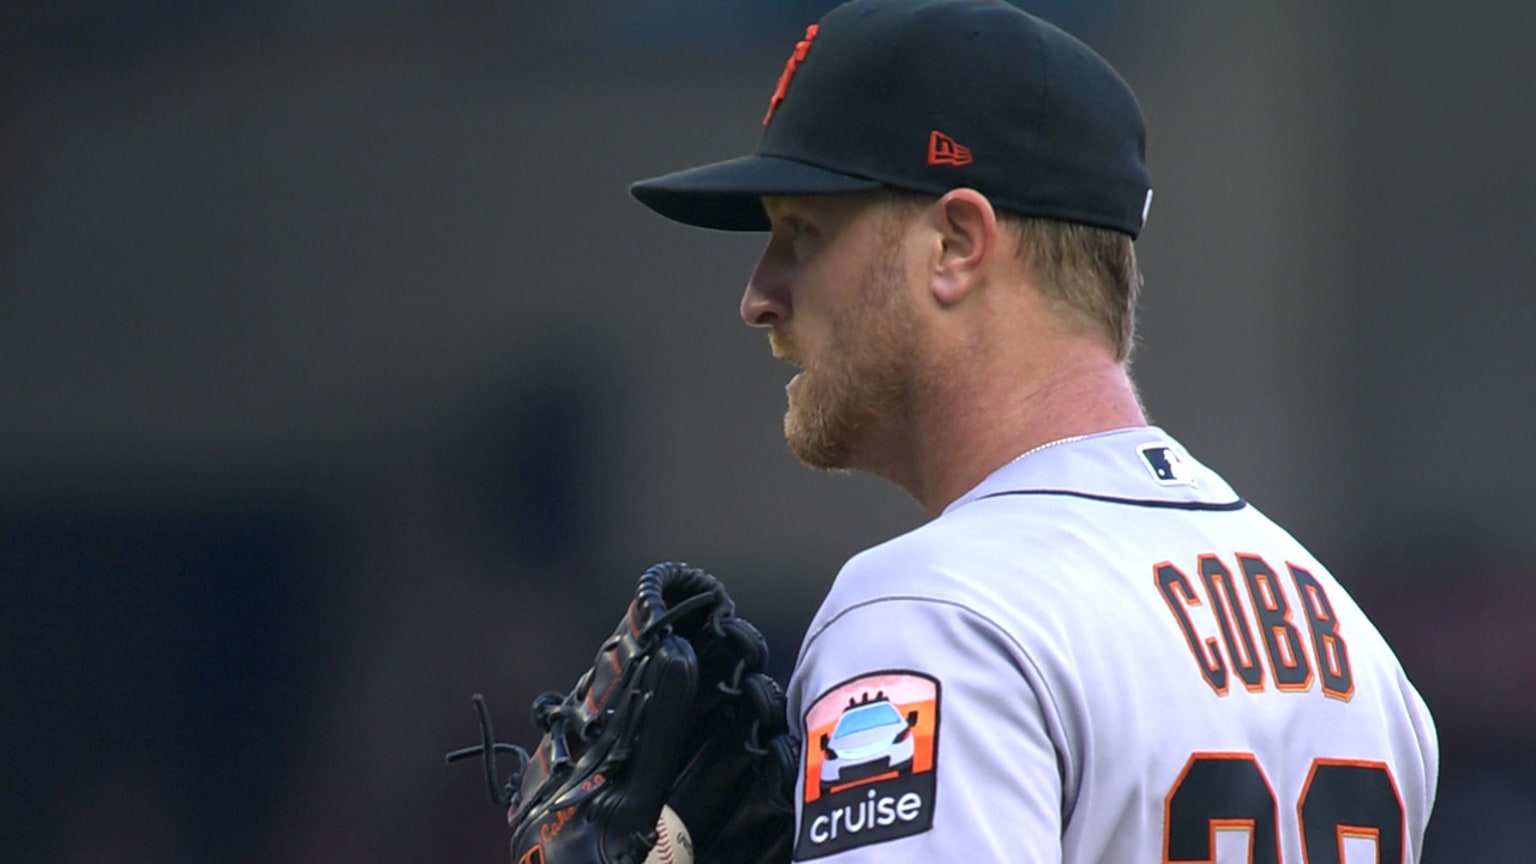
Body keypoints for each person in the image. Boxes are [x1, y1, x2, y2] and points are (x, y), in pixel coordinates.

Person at [629, 1, 1438, 861]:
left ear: (955, 244)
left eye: (803, 232)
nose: (760, 296)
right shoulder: (1347, 641)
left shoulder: (934, 612)